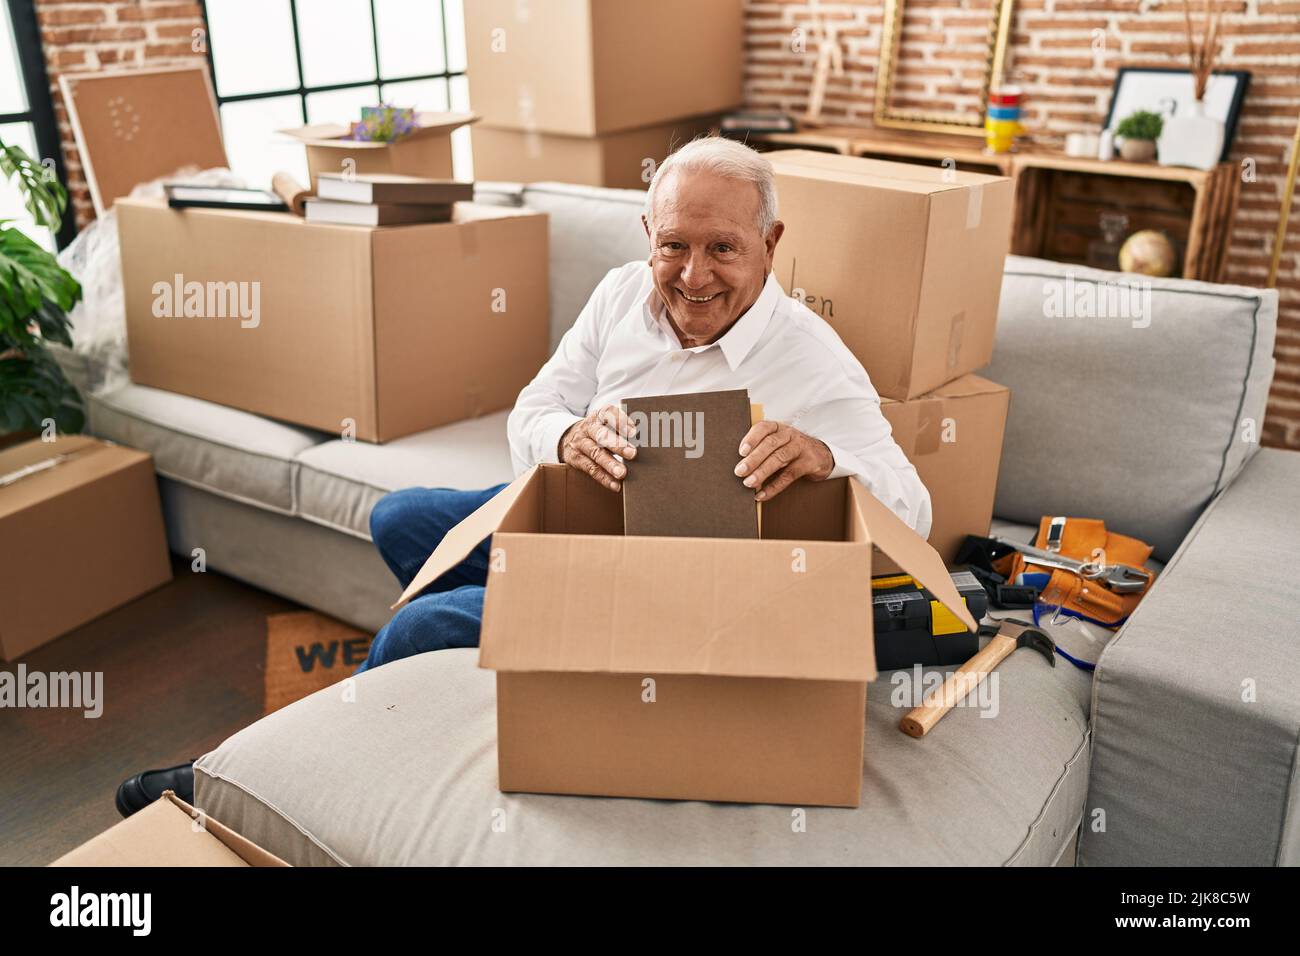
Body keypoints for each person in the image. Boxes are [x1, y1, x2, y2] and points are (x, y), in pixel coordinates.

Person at [114, 136, 929, 815]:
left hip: (675, 586)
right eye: (673, 246)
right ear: (647, 232)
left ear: (771, 245)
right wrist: (567, 435)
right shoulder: (621, 296)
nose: (692, 276)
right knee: (398, 517)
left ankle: (255, 779)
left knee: (421, 626)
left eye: (723, 248)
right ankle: (503, 663)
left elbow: (914, 511)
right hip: (586, 519)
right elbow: (533, 409)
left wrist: (827, 459)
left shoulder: (810, 359)